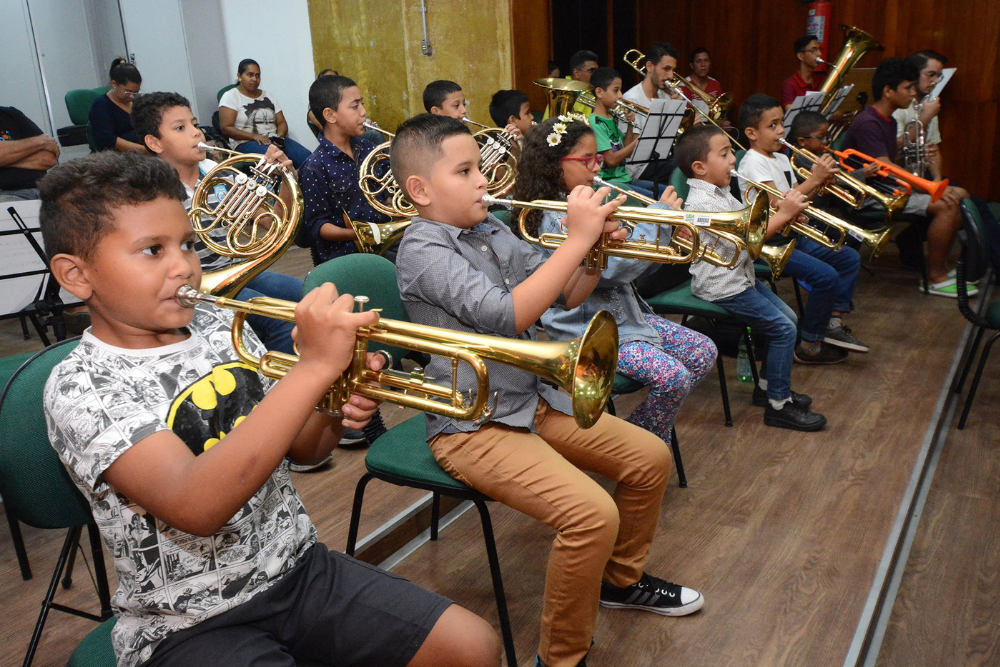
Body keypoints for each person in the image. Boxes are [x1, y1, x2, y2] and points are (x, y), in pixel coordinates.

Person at [39, 150, 500, 667]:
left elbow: (307, 451)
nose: (183, 265)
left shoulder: (215, 326)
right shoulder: (82, 386)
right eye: (152, 250)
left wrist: (333, 398)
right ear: (76, 276)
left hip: (299, 570)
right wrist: (311, 372)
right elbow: (196, 508)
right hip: (189, 621)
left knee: (473, 647)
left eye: (188, 244)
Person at [392, 113, 704, 667]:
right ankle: (560, 659)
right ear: (420, 190)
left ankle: (619, 582)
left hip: (531, 398)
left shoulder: (491, 228)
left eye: (479, 168)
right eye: (464, 172)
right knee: (590, 515)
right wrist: (579, 235)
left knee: (650, 458)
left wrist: (592, 252)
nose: (484, 180)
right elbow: (506, 315)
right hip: (473, 421)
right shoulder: (423, 249)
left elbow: (565, 296)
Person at [518, 116, 718, 450]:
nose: (597, 166)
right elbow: (610, 271)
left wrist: (661, 231)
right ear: (554, 165)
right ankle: (644, 445)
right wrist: (659, 223)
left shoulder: (590, 198)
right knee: (673, 378)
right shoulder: (554, 215)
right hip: (588, 332)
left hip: (629, 318)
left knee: (703, 351)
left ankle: (638, 432)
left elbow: (623, 253)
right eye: (587, 160)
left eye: (597, 157)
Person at [678, 125, 826, 431]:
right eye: (725, 154)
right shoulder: (702, 204)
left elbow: (752, 228)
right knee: (784, 329)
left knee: (789, 318)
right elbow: (748, 240)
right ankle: (778, 406)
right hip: (722, 286)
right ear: (700, 167)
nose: (733, 159)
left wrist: (785, 215)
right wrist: (783, 214)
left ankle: (766, 387)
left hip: (739, 277)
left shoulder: (720, 192)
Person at [131, 92, 301, 355]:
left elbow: (270, 221)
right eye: (180, 128)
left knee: (310, 294)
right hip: (192, 287)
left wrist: (286, 179)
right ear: (154, 142)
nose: (196, 133)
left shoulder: (219, 175)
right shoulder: (150, 192)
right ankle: (273, 384)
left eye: (195, 124)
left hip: (236, 272)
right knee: (281, 320)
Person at [737, 94, 867, 360]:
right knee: (825, 276)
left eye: (781, 123)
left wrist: (816, 188)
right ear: (751, 132)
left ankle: (830, 322)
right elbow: (777, 203)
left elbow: (794, 196)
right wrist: (814, 180)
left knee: (849, 258)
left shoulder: (782, 159)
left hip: (791, 233)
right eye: (772, 125)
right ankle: (810, 345)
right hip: (769, 242)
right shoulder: (752, 162)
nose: (781, 130)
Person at [842, 58, 968, 297]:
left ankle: (937, 265)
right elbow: (886, 168)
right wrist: (924, 188)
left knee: (960, 194)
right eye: (908, 88)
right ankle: (935, 276)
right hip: (869, 193)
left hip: (885, 187)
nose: (913, 93)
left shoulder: (886, 120)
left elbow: (892, 158)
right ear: (888, 91)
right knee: (947, 205)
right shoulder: (869, 122)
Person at [300, 75, 391, 264]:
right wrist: (364, 235)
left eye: (362, 104)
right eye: (355, 106)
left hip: (387, 243)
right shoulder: (314, 167)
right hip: (345, 255)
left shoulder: (368, 149)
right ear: (330, 115)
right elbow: (319, 226)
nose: (363, 112)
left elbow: (389, 194)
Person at [218, 58, 311, 168]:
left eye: (258, 75)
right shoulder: (231, 96)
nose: (254, 79)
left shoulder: (268, 96)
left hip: (274, 140)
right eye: (250, 75)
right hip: (246, 143)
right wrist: (254, 136)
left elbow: (281, 122)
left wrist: (279, 137)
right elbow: (226, 128)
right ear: (239, 76)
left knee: (309, 160)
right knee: (278, 163)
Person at [621, 42, 685, 185]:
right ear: (650, 67)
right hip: (639, 167)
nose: (671, 75)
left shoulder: (666, 96)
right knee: (684, 167)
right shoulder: (632, 98)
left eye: (673, 70)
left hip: (662, 158)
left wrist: (679, 108)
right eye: (666, 69)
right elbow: (630, 147)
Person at [587, 67, 656, 199]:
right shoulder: (595, 122)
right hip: (610, 183)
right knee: (655, 198)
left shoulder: (610, 117)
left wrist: (630, 126)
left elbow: (625, 149)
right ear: (599, 92)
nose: (620, 95)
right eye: (615, 90)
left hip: (623, 178)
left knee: (663, 191)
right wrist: (640, 140)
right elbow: (611, 160)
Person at [894, 51, 945, 181]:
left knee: (966, 196)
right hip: (899, 175)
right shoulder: (898, 104)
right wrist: (926, 117)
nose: (936, 81)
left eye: (939, 76)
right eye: (931, 75)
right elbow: (896, 145)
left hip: (922, 174)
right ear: (914, 74)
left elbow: (934, 149)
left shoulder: (928, 103)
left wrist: (937, 180)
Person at [0, 105, 59, 201]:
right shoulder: (39, 141)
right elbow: (43, 142)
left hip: (41, 189)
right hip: (5, 195)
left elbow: (49, 158)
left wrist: (5, 159)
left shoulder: (11, 114)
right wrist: (38, 142)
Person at [90, 57, 145, 153]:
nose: (132, 96)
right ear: (114, 84)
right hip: (117, 157)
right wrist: (144, 150)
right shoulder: (101, 106)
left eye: (136, 92)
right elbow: (109, 140)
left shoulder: (137, 102)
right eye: (128, 92)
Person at [780, 36, 823, 110]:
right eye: (813, 50)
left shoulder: (821, 79)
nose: (819, 54)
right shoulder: (790, 85)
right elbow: (791, 112)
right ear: (801, 56)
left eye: (819, 49)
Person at [308, 68, 340, 138]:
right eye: (330, 80)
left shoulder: (340, 100)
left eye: (336, 79)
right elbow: (329, 131)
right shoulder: (314, 109)